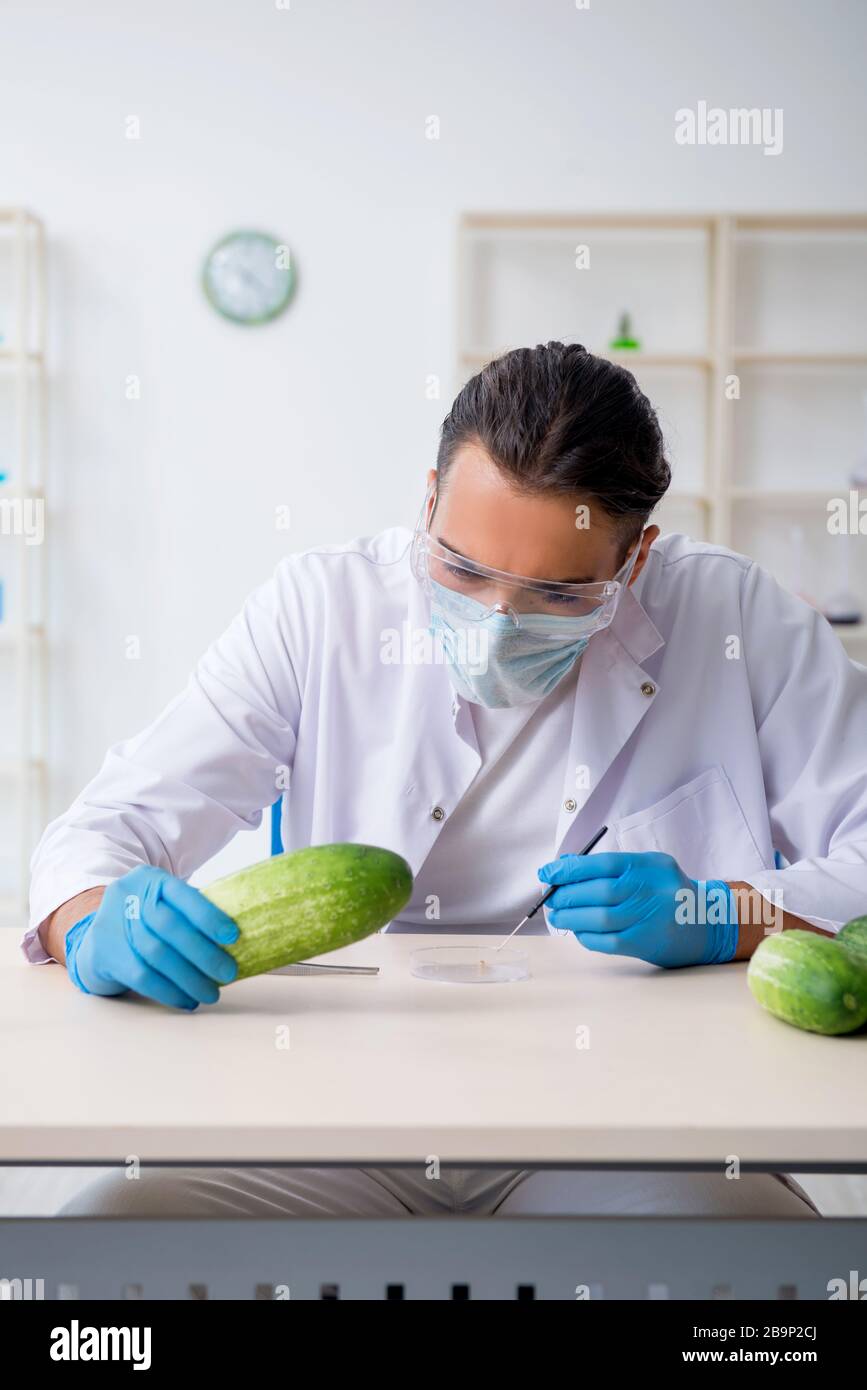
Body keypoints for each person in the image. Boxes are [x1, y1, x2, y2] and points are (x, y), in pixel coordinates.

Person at [19, 340, 866, 1221]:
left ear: (635, 558)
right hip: (341, 1112)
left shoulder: (737, 619)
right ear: (427, 501)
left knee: (743, 1265)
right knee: (110, 1246)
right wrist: (93, 922)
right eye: (462, 569)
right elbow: (105, 829)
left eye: (558, 595)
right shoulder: (321, 610)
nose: (497, 628)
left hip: (638, 1115)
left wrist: (721, 913)